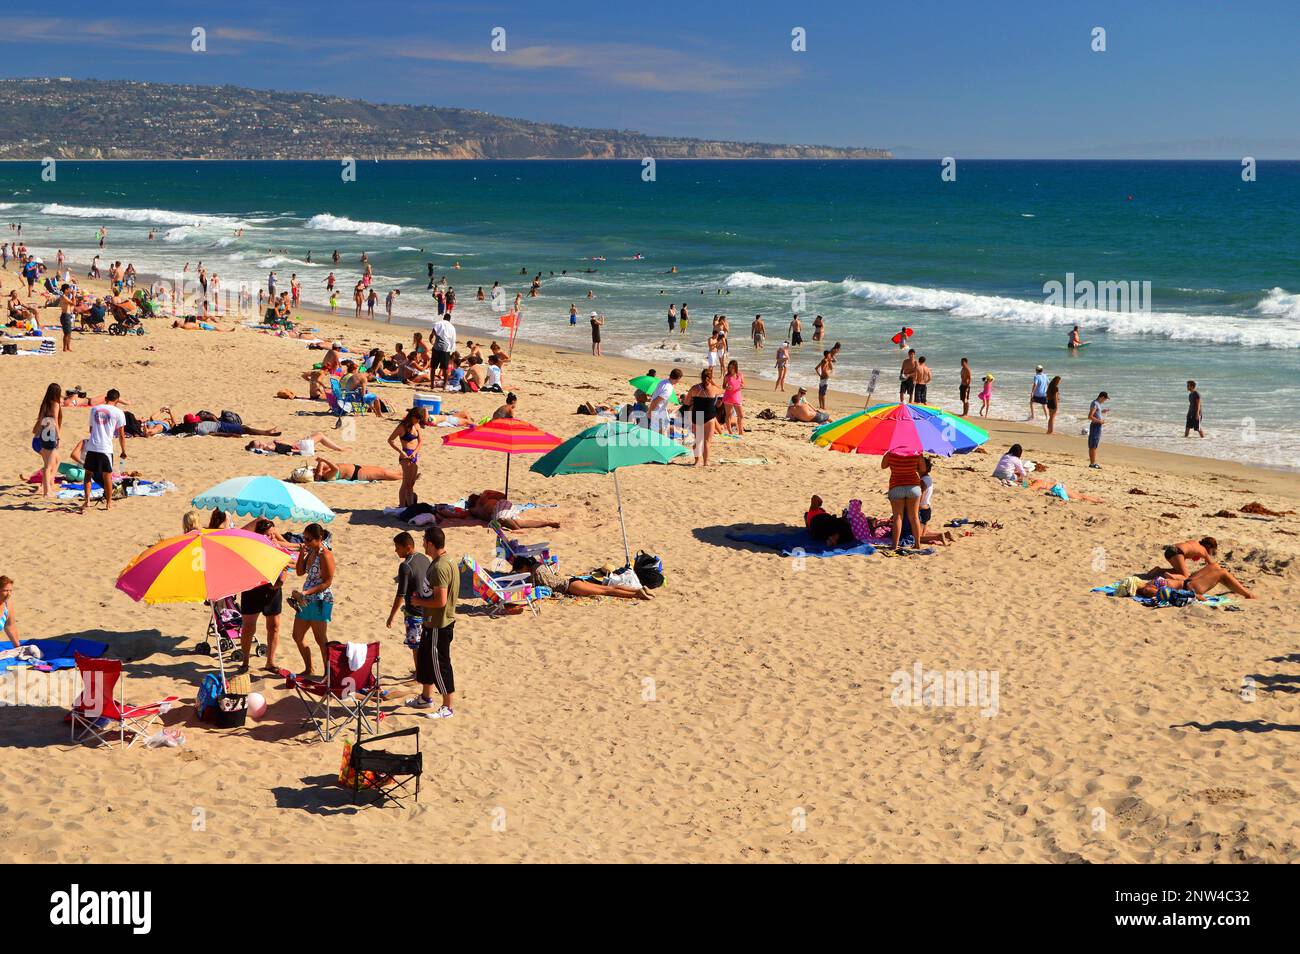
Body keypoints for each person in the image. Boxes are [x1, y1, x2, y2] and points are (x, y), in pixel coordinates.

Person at [406, 527, 458, 719]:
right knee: (426, 660)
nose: (422, 545)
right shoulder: (447, 560)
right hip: (433, 622)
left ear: (430, 543)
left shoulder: (440, 567)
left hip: (439, 623)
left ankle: (447, 706)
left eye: (424, 541)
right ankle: (426, 698)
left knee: (440, 664)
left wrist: (419, 602)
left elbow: (441, 600)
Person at [239, 518, 284, 674]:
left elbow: (285, 569)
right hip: (252, 589)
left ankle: (270, 662)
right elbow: (239, 533)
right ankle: (245, 662)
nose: (272, 538)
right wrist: (257, 520)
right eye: (268, 535)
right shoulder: (250, 549)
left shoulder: (278, 548)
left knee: (274, 626)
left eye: (273, 534)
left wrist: (280, 582)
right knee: (248, 627)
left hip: (273, 591)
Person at [289, 523, 334, 678]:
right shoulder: (311, 551)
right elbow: (300, 572)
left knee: (320, 639)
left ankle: (328, 674)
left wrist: (307, 592)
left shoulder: (325, 555)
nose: (306, 542)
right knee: (297, 635)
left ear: (319, 538)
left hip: (320, 599)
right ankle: (309, 668)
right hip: (306, 599)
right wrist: (302, 553)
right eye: (304, 538)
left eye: (308, 539)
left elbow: (327, 581)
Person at [387, 531, 431, 677]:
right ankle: (424, 671)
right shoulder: (424, 558)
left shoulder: (405, 566)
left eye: (398, 547)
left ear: (408, 547)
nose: (395, 550)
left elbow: (401, 594)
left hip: (413, 612)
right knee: (425, 644)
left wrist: (391, 616)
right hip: (428, 609)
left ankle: (420, 674)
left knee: (415, 646)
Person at [517, 556, 653, 601]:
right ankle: (638, 590)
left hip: (570, 587)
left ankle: (637, 594)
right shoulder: (539, 566)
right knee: (607, 587)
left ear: (523, 566)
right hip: (573, 580)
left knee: (607, 591)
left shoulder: (534, 573)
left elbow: (540, 588)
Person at [81, 389, 127, 514]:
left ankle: (87, 501)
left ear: (106, 397)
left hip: (92, 446)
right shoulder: (119, 412)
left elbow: (91, 429)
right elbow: (121, 435)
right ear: (117, 400)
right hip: (106, 448)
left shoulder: (95, 409)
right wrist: (123, 451)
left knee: (88, 475)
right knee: (107, 476)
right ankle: (108, 503)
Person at [881, 447, 925, 550]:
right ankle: (917, 544)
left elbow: (883, 466)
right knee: (914, 517)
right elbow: (922, 469)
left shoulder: (891, 452)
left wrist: (889, 454)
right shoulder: (916, 452)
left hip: (896, 486)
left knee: (898, 517)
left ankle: (894, 545)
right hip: (913, 487)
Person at [1136, 564, 1255, 601]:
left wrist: (1170, 577)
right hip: (1190, 588)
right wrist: (1195, 596)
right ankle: (1248, 594)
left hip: (1186, 582)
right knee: (1222, 573)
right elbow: (1171, 594)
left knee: (1214, 566)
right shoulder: (1147, 590)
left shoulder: (1148, 584)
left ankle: (1237, 587)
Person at [685, 367, 723, 467]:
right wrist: (713, 382)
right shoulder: (714, 389)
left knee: (698, 440)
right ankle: (706, 463)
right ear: (710, 378)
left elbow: (687, 402)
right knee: (707, 442)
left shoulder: (694, 388)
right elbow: (722, 390)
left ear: (701, 377)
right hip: (709, 416)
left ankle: (697, 462)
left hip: (698, 415)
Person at [388, 407, 425, 508]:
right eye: (417, 419)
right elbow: (390, 440)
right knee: (405, 484)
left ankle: (410, 507)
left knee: (411, 485)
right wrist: (400, 452)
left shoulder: (416, 425)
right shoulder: (402, 427)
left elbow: (421, 441)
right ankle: (402, 507)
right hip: (406, 455)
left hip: (414, 454)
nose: (418, 421)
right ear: (412, 416)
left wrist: (416, 452)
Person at [33, 383, 62, 499]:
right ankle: (46, 491)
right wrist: (58, 437)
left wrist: (35, 434)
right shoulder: (55, 404)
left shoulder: (44, 404)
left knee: (55, 460)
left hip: (41, 435)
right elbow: (54, 419)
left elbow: (40, 420)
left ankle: (48, 486)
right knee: (48, 465)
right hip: (49, 435)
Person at [648, 368, 683, 434]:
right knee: (660, 434)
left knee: (663, 430)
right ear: (678, 378)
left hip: (661, 410)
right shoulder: (668, 388)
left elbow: (655, 395)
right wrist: (650, 412)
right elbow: (656, 401)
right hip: (658, 412)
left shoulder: (663, 381)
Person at [308, 459, 403, 482]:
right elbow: (335, 468)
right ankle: (405, 477)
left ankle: (404, 474)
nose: (312, 468)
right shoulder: (327, 476)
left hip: (357, 468)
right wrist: (323, 460)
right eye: (311, 470)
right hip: (357, 474)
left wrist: (321, 464)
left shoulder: (322, 469)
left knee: (382, 470)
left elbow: (321, 464)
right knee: (383, 474)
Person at [722, 360, 745, 435]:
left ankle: (740, 431)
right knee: (728, 415)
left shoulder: (740, 375)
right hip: (728, 397)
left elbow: (743, 384)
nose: (731, 369)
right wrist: (727, 387)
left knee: (741, 415)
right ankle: (730, 431)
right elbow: (723, 386)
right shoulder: (727, 376)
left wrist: (741, 386)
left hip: (737, 397)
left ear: (736, 367)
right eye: (730, 367)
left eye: (732, 367)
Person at [1087, 391, 1108, 469]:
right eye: (1105, 399)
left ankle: (1092, 463)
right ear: (1102, 397)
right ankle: (1092, 464)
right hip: (1095, 426)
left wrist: (1102, 411)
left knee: (1093, 445)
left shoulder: (1097, 404)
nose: (1104, 401)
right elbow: (1090, 416)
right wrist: (1100, 421)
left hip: (1096, 426)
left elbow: (1096, 413)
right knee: (1093, 445)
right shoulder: (1095, 403)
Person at [0, 576, 20, 649]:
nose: (9, 594)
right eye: (5, 590)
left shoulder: (7, 604)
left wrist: (18, 648)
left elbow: (10, 626)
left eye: (10, 591)